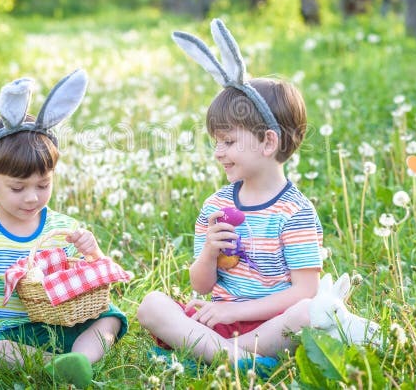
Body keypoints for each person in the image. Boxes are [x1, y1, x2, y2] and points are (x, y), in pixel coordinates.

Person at [137, 20, 323, 373]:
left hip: (269, 323)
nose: (218, 153)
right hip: (216, 318)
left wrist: (235, 311)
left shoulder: (295, 212)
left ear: (269, 142)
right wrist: (208, 252)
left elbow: (305, 290)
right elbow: (201, 285)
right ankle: (242, 362)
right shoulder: (216, 206)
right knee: (151, 305)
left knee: (309, 315)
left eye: (229, 141)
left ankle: (216, 356)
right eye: (215, 142)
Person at [0, 72, 127, 389]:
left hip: (52, 326)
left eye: (43, 185)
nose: (33, 197)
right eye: (18, 188)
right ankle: (54, 366)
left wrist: (93, 252)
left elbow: (91, 281)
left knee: (111, 316)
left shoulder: (62, 228)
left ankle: (80, 361)